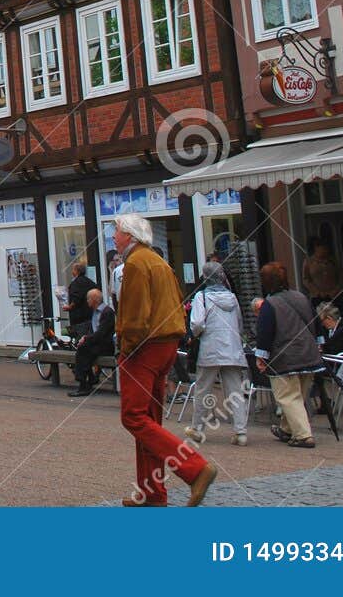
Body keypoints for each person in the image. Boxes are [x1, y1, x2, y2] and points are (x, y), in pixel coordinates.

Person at [112, 214, 215, 507]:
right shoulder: (159, 261)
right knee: (150, 420)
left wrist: (126, 347)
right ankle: (152, 492)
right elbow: (177, 303)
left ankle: (194, 469)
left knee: (133, 416)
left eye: (117, 232)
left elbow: (135, 316)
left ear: (130, 236)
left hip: (144, 347)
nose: (114, 238)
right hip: (167, 343)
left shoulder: (135, 264)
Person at [254, 261, 323, 449]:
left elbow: (265, 332)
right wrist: (320, 344)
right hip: (309, 355)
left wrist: (261, 357)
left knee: (288, 397)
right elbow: (317, 323)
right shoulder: (302, 297)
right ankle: (286, 429)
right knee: (298, 395)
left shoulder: (270, 304)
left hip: (285, 358)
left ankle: (303, 435)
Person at [184, 261, 250, 446]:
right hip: (233, 348)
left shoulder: (201, 297)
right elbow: (239, 322)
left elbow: (197, 324)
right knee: (235, 390)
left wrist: (198, 333)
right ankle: (240, 431)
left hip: (211, 348)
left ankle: (197, 428)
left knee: (203, 388)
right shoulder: (232, 297)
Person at [69, 289, 114, 396]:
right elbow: (92, 330)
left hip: (105, 346)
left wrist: (86, 339)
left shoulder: (107, 312)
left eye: (88, 299)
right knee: (82, 350)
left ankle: (83, 384)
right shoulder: (94, 312)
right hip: (96, 344)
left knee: (83, 351)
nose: (87, 301)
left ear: (95, 300)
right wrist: (85, 338)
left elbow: (101, 333)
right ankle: (88, 380)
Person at [301, 237, 342, 308]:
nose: (324, 250)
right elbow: (306, 279)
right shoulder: (308, 262)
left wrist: (336, 290)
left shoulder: (333, 261)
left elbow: (341, 276)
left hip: (334, 296)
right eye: (322, 247)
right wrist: (317, 292)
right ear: (316, 248)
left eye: (326, 248)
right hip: (317, 298)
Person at [66, 262, 99, 338]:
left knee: (79, 334)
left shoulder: (76, 283)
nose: (72, 272)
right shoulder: (91, 282)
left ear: (76, 271)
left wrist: (70, 307)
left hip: (79, 316)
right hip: (91, 314)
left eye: (73, 270)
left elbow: (76, 298)